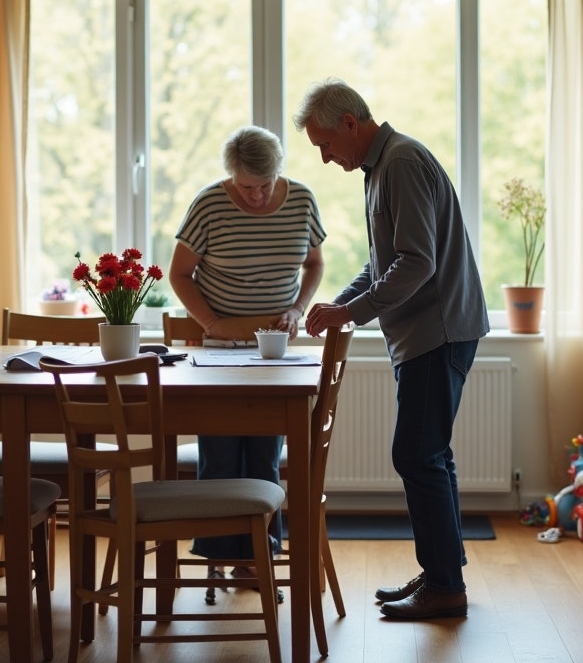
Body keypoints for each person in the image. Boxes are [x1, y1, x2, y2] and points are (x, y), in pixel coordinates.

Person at [294, 77, 489, 621]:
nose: (327, 158)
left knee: (416, 455)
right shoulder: (380, 167)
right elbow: (384, 262)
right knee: (431, 456)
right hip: (429, 332)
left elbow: (417, 263)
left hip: (438, 330)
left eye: (326, 145)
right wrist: (337, 304)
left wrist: (351, 313)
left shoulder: (400, 162)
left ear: (351, 125)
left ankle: (446, 586)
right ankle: (443, 575)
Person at [169, 124, 326, 603]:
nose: (256, 197)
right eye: (246, 187)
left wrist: (299, 308)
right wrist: (211, 322)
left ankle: (259, 557)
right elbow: (179, 273)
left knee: (263, 456)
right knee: (220, 454)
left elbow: (314, 263)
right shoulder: (209, 204)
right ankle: (223, 557)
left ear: (278, 172)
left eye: (264, 185)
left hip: (273, 350)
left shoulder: (300, 199)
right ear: (231, 177)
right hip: (218, 348)